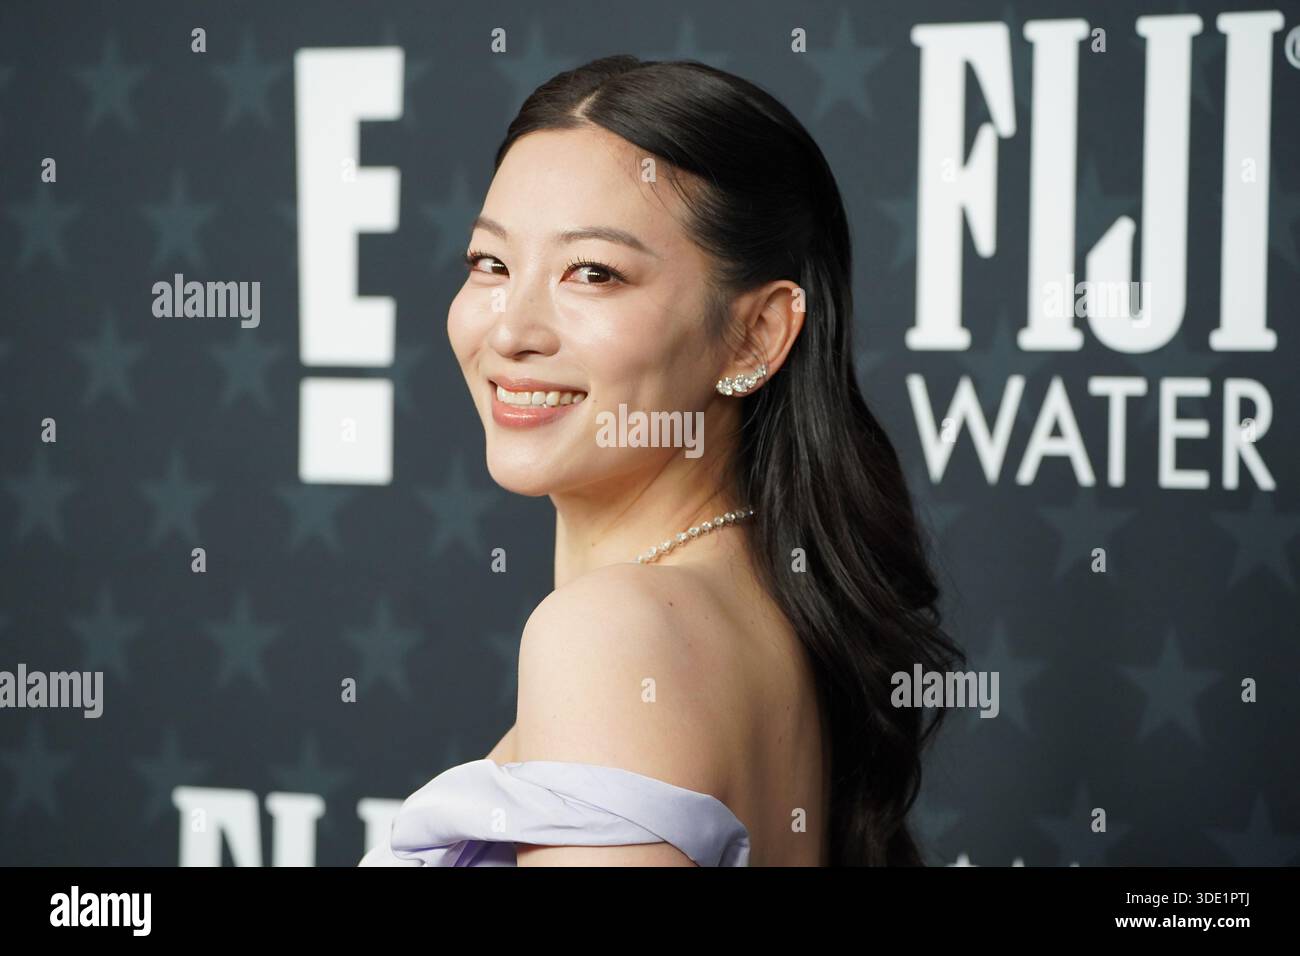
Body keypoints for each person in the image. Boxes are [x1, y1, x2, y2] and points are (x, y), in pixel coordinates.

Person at [359, 54, 963, 867]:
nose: (510, 330)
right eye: (490, 264)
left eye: (594, 273)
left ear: (756, 335)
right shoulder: (759, 603)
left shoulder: (614, 635)